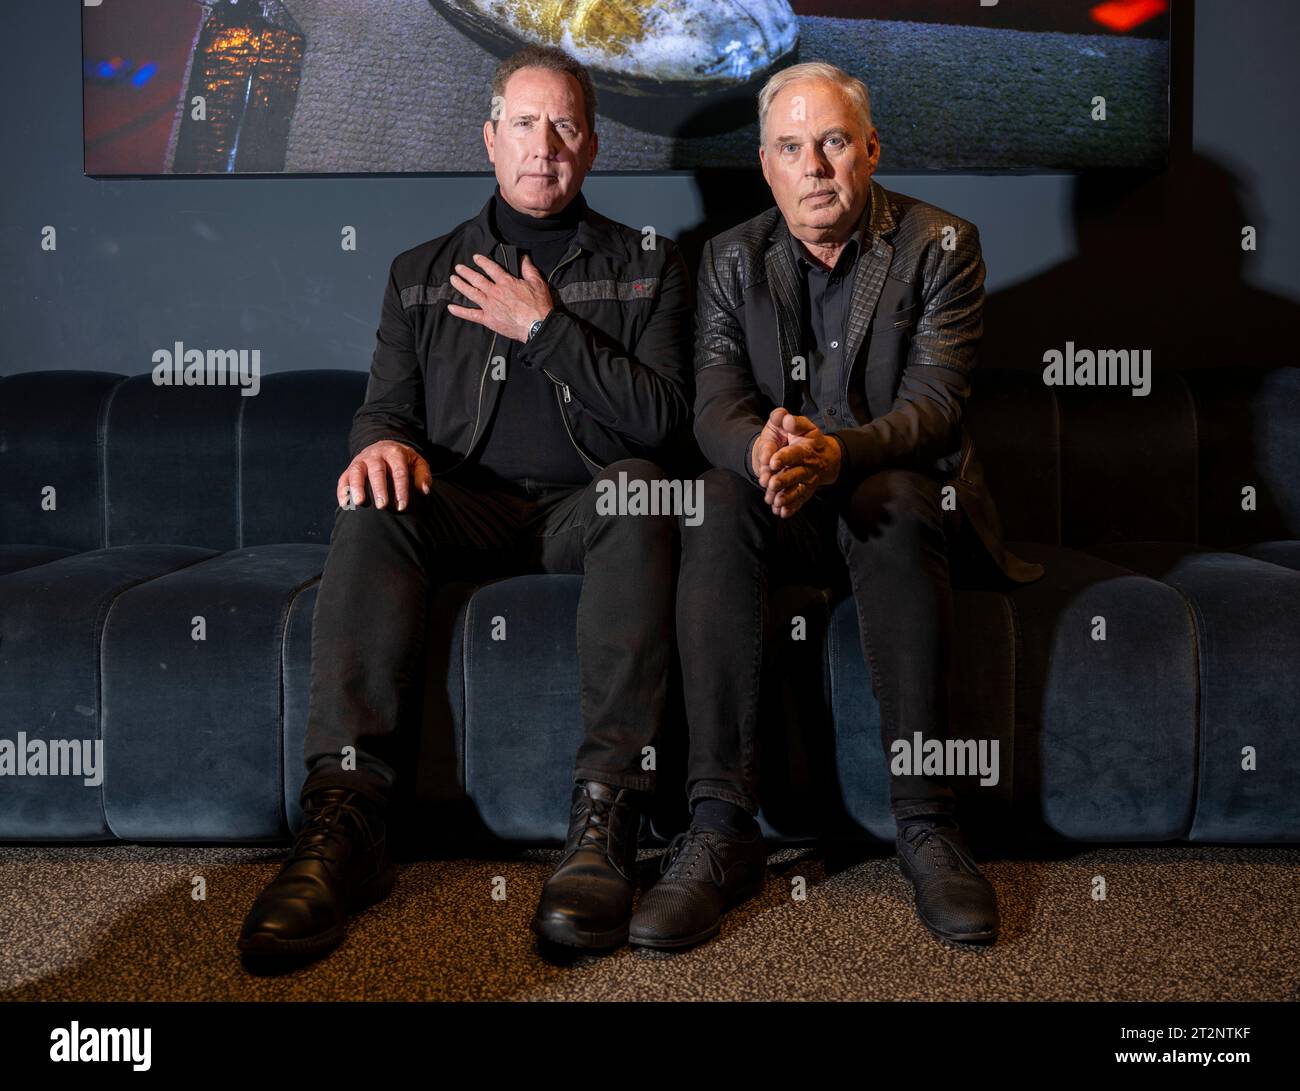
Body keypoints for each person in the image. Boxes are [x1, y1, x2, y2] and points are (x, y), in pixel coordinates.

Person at [238, 44, 693, 960]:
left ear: (592, 147)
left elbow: (667, 419)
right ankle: (344, 824)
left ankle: (605, 819)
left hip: (587, 510)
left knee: (646, 486)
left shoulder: (654, 265)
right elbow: (384, 409)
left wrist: (547, 331)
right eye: (524, 124)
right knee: (371, 501)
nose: (544, 147)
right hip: (464, 504)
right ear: (489, 139)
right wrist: (380, 445)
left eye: (565, 127)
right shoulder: (420, 272)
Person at [630, 61, 1045, 950]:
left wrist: (836, 453)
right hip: (775, 505)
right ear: (766, 164)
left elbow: (934, 407)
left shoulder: (942, 245)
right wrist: (758, 448)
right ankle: (719, 830)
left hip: (893, 495)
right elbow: (712, 400)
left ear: (869, 149)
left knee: (892, 492)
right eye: (791, 148)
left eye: (831, 142)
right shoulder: (729, 259)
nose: (814, 166)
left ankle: (928, 821)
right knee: (714, 494)